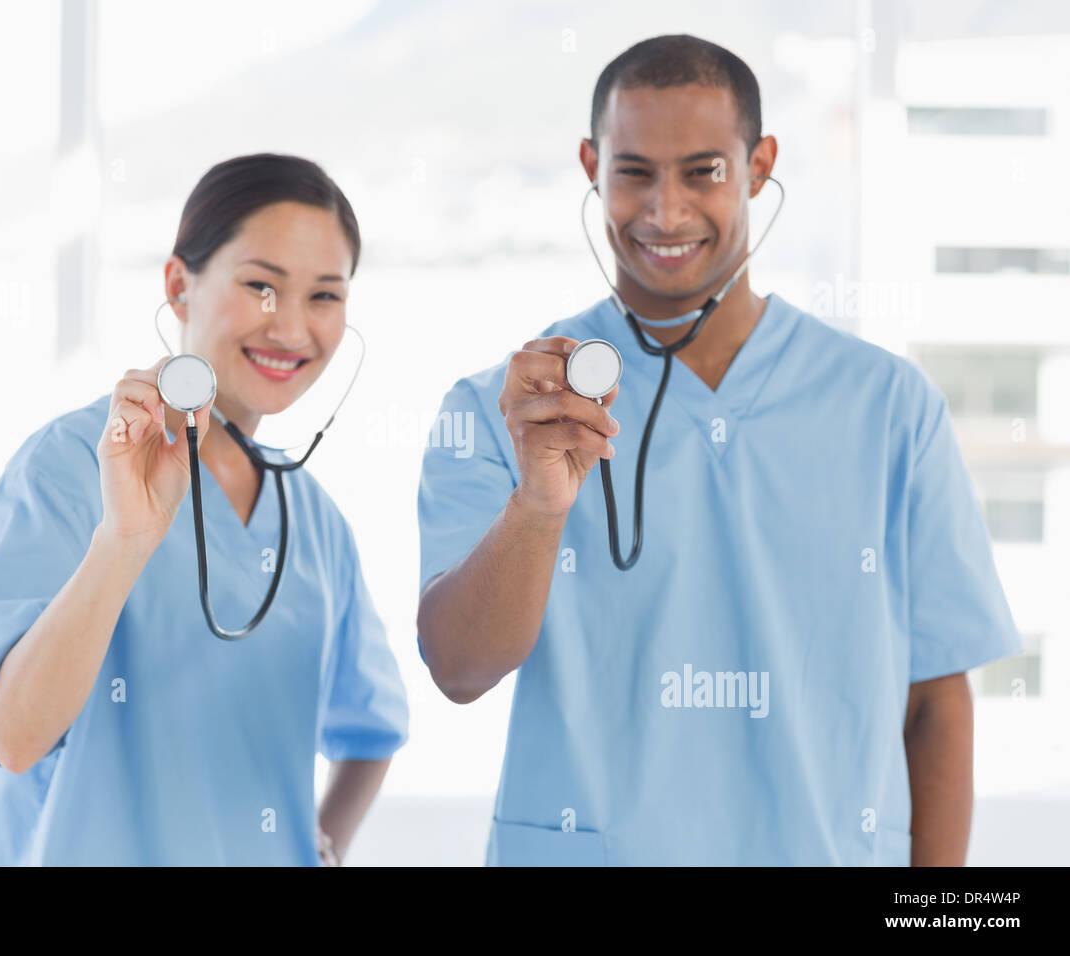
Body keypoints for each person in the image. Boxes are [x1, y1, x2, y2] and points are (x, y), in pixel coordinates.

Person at [415, 35, 1022, 866]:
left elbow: (936, 701)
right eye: (634, 172)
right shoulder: (509, 410)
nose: (666, 212)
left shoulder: (889, 406)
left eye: (703, 171)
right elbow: (458, 668)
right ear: (592, 166)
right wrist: (538, 505)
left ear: (759, 165)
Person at [0, 153, 408, 866]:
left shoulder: (313, 521)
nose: (290, 327)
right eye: (260, 284)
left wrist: (323, 847)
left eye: (325, 295)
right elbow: (13, 739)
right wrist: (124, 540)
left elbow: (371, 728)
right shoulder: (67, 469)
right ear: (179, 285)